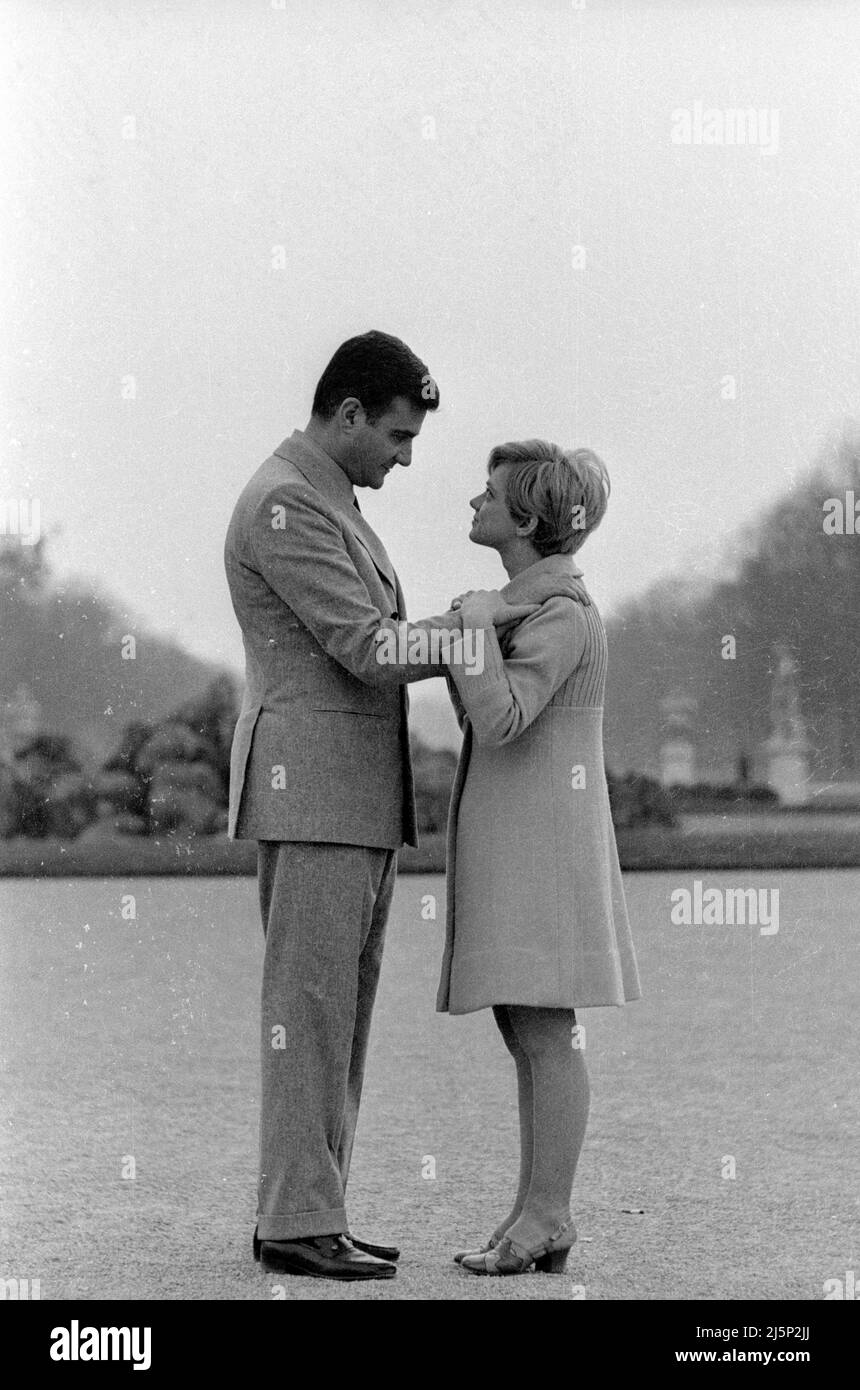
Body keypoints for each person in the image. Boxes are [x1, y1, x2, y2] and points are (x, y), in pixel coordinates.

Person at [223, 331, 549, 1281]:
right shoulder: (289, 504)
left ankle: (312, 1210)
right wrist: (476, 625)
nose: (407, 457)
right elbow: (369, 649)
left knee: (333, 1015)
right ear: (350, 413)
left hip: (347, 800)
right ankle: (294, 1220)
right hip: (315, 794)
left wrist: (462, 627)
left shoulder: (327, 500)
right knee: (311, 1012)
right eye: (399, 436)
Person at [437, 439, 642, 1276]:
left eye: (487, 495)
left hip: (545, 857)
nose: (473, 504)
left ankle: (549, 1214)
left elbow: (503, 717)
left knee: (546, 1034)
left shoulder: (556, 613)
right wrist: (477, 625)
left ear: (525, 519)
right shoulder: (531, 605)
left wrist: (476, 627)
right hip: (526, 849)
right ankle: (532, 1213)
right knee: (526, 1029)